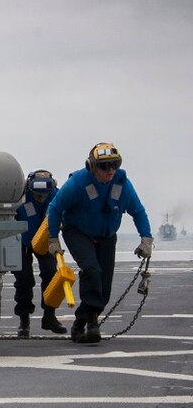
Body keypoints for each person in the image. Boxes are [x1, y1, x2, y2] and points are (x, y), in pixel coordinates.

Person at [46, 142, 153, 344]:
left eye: (114, 164)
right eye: (104, 166)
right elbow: (54, 208)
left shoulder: (122, 185)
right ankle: (92, 323)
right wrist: (53, 239)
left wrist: (146, 239)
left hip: (107, 236)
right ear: (92, 166)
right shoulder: (77, 183)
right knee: (91, 270)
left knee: (103, 289)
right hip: (78, 232)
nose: (110, 170)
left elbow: (138, 211)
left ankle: (79, 323)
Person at [14, 170, 66, 338]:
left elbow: (65, 212)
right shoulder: (19, 195)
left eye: (44, 195)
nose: (40, 198)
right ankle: (24, 320)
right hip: (22, 240)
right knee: (25, 279)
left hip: (46, 239)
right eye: (37, 194)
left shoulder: (56, 195)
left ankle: (49, 316)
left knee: (51, 274)